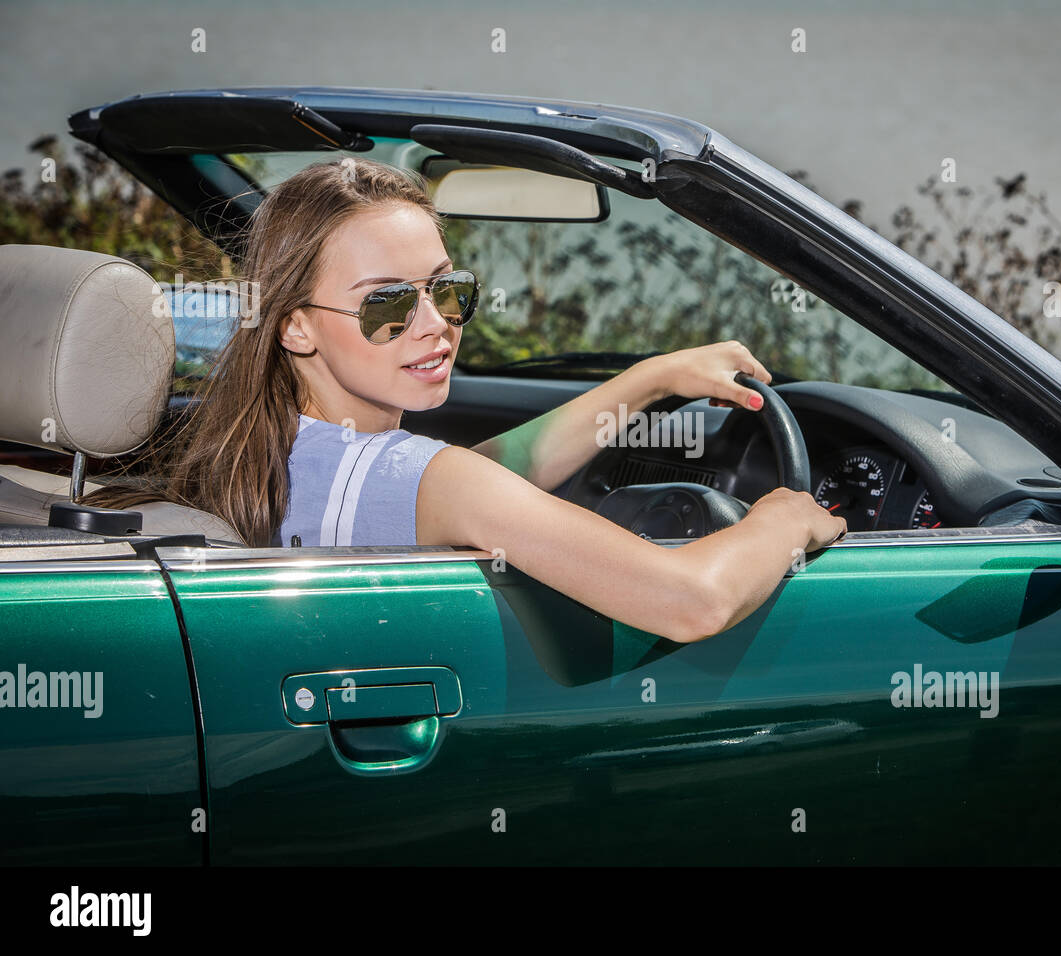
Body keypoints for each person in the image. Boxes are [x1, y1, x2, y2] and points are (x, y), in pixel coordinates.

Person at [84, 158, 845, 643]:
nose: (435, 324)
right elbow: (694, 602)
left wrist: (644, 381)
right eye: (387, 303)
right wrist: (783, 519)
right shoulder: (422, 481)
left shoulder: (270, 451)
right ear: (296, 329)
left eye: (447, 289)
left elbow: (481, 474)